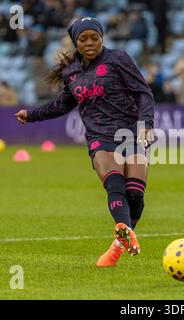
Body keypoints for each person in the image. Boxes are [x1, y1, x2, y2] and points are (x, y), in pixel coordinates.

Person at [14, 17, 155, 267]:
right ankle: (122, 229)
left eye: (95, 37)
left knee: (135, 194)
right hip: (99, 136)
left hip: (131, 133)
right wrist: (32, 114)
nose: (89, 42)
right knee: (115, 184)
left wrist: (146, 125)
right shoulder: (72, 72)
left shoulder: (119, 59)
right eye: (83, 39)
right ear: (76, 42)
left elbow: (143, 93)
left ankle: (118, 244)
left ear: (102, 39)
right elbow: (61, 104)